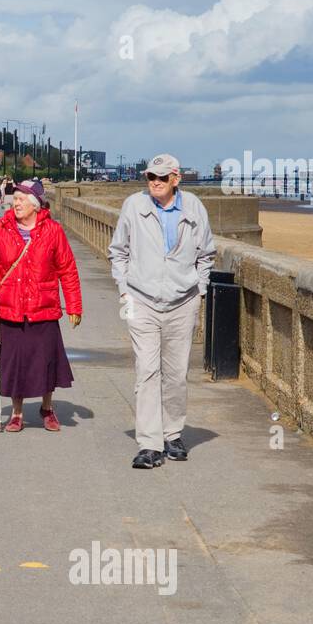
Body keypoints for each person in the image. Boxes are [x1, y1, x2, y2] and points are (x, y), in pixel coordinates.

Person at [108, 153, 217, 469]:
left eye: (161, 177)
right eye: (150, 178)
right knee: (147, 370)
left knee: (175, 373)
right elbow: (119, 252)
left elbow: (206, 254)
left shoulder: (194, 207)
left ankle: (173, 434)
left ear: (176, 178)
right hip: (142, 301)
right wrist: (125, 289)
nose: (154, 182)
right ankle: (150, 444)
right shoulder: (134, 205)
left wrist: (200, 289)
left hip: (183, 302)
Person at [0, 182, 82, 432]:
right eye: (14, 198)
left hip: (43, 306)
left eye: (22, 199)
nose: (16, 203)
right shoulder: (0, 228)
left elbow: (67, 269)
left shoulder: (53, 231)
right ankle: (17, 412)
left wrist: (74, 305)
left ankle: (47, 407)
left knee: (45, 360)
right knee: (14, 362)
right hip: (11, 305)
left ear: (35, 204)